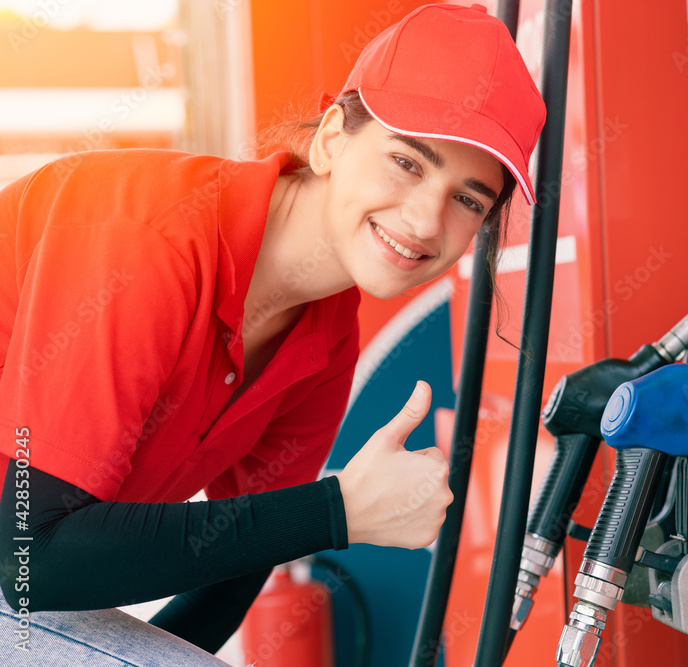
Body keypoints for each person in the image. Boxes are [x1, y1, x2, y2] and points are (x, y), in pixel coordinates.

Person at [0, 3, 545, 664]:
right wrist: (339, 509)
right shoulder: (151, 239)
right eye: (407, 162)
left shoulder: (324, 339)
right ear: (331, 138)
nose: (427, 219)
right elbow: (31, 557)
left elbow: (232, 572)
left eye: (468, 199)